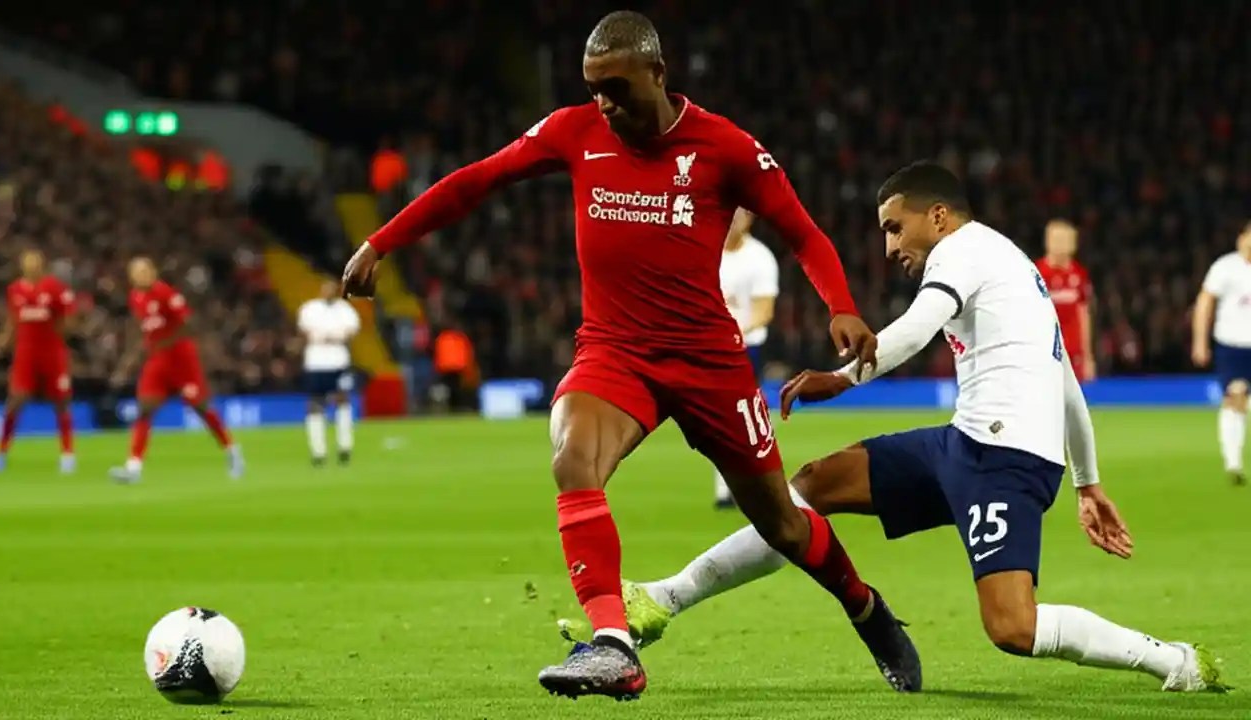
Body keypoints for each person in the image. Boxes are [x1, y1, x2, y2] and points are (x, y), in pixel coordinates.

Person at [341, 10, 912, 701]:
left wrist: (840, 303)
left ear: (659, 73)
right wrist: (381, 242)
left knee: (784, 527)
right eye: (593, 89)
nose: (603, 104)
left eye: (616, 87)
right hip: (615, 353)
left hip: (709, 364)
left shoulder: (724, 147)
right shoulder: (574, 131)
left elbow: (803, 232)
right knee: (571, 458)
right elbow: (475, 181)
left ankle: (865, 608)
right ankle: (612, 644)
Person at [623, 161, 1225, 693]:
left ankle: (1173, 661)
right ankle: (664, 597)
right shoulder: (1013, 267)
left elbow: (917, 326)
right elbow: (1064, 380)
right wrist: (1088, 483)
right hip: (964, 443)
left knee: (1013, 628)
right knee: (811, 485)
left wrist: (843, 378)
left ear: (937, 216)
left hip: (1005, 464)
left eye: (894, 227)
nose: (889, 247)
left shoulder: (964, 253)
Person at [109, 257, 244, 484]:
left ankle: (231, 450)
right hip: (157, 362)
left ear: (153, 271)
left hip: (181, 358)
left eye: (145, 270)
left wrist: (164, 342)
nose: (141, 275)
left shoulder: (166, 294)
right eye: (136, 272)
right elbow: (144, 331)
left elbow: (189, 323)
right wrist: (131, 359)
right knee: (144, 409)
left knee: (200, 407)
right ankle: (133, 467)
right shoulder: (136, 297)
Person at [0, 250, 78, 474]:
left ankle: (67, 454)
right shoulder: (14, 290)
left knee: (61, 401)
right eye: (27, 262)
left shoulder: (55, 288)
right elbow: (12, 322)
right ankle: (1, 452)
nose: (31, 266)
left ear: (42, 265)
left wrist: (57, 341)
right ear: (22, 266)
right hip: (25, 354)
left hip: (52, 353)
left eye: (35, 262)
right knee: (15, 400)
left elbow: (69, 319)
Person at [714, 208, 779, 508]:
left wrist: (734, 332)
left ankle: (759, 484)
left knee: (746, 419)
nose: (732, 220)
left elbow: (764, 313)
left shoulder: (760, 258)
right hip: (711, 346)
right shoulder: (707, 250)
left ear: (750, 218)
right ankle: (725, 490)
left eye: (739, 214)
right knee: (716, 418)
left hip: (746, 348)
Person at [1191, 221, 1251, 486]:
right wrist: (1199, 342)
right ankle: (1233, 462)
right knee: (1235, 397)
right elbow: (1205, 303)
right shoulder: (1225, 267)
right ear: (1241, 237)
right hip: (1232, 346)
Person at [298, 280, 361, 466]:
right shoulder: (310, 309)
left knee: (342, 400)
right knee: (315, 403)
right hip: (316, 362)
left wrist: (332, 336)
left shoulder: (344, 310)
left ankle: (345, 446)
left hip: (338, 361)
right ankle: (318, 451)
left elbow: (352, 331)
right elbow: (304, 331)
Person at [1035, 220, 1095, 381]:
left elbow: (1084, 314)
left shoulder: (1079, 274)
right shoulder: (1037, 273)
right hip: (1045, 349)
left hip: (1073, 350)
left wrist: (1087, 355)